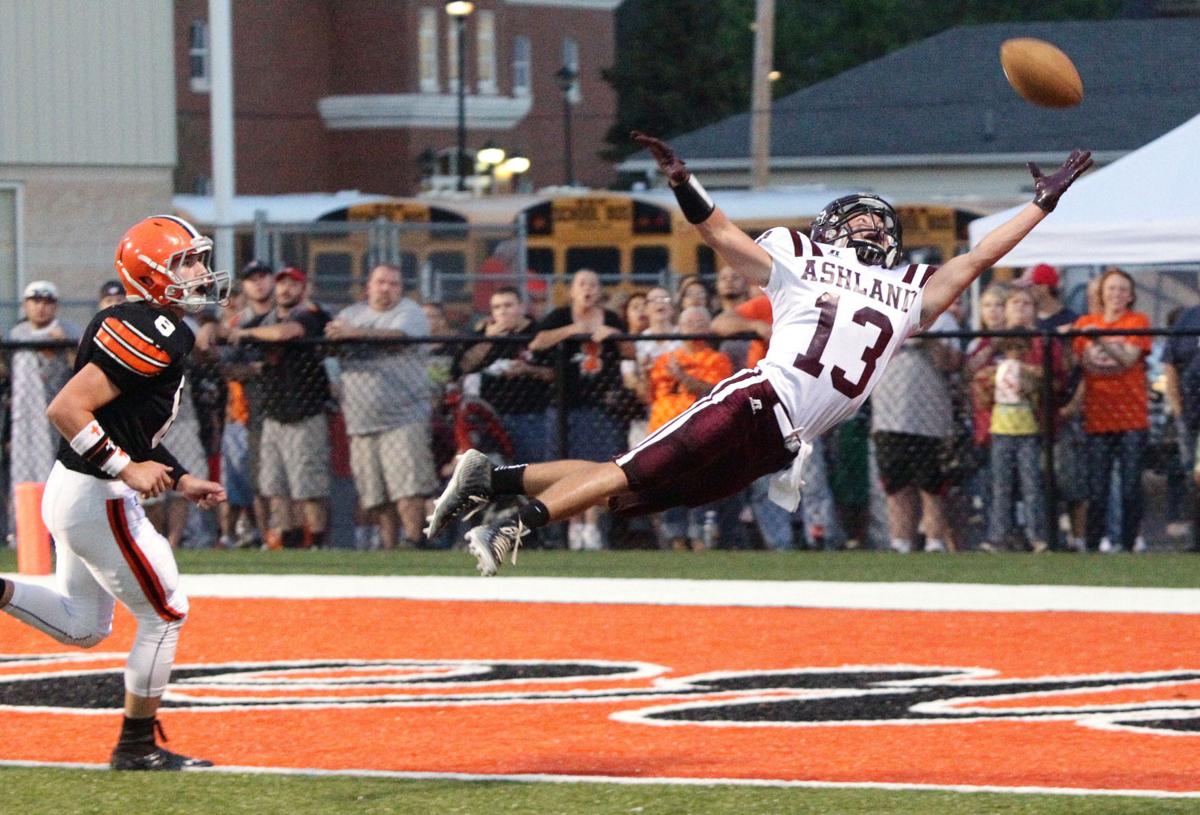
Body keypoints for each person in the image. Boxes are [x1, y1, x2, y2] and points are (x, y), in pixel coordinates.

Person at [423, 131, 1091, 575]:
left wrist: (1042, 204)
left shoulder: (910, 289)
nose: (871, 227)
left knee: (625, 486)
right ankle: (513, 524)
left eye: (877, 221)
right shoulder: (800, 256)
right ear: (831, 229)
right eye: (858, 219)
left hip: (787, 444)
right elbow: (719, 232)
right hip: (756, 398)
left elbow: (977, 256)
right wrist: (685, 182)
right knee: (633, 468)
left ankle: (491, 476)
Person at [0, 215, 227, 769]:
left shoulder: (144, 321)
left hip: (75, 490)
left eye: (198, 259)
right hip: (97, 494)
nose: (199, 271)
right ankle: (135, 748)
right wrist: (126, 470)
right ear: (150, 274)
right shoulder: (159, 329)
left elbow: (127, 425)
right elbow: (66, 410)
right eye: (185, 262)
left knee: (83, 626)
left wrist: (180, 477)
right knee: (166, 614)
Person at [325, 264, 436, 549]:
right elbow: (332, 342)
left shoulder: (409, 312)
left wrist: (352, 333)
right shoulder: (352, 314)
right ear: (368, 287)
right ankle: (388, 546)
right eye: (381, 282)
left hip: (403, 415)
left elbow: (398, 337)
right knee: (375, 493)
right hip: (360, 418)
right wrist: (340, 333)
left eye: (393, 283)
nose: (386, 288)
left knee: (407, 487)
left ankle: (413, 540)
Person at [522, 268, 631, 550]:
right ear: (572, 291)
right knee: (564, 466)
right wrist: (571, 331)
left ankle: (592, 526)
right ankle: (571, 526)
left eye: (594, 284)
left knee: (598, 466)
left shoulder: (611, 319)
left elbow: (632, 352)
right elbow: (537, 343)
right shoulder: (559, 316)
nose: (588, 289)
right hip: (564, 405)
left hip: (601, 406)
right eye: (582, 284)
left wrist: (614, 337)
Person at [230, 266, 332, 550]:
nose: (286, 290)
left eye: (293, 284)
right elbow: (233, 356)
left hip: (305, 413)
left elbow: (288, 332)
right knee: (275, 486)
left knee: (308, 487)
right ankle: (289, 541)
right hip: (273, 414)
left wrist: (247, 333)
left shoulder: (311, 315)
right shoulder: (265, 319)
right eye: (282, 284)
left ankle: (319, 543)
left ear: (304, 288)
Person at [1066, 268, 1152, 553]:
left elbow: (1128, 360)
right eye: (1111, 289)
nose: (1116, 295)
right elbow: (1081, 363)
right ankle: (1094, 543)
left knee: (1130, 487)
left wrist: (1099, 340)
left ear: (1131, 295)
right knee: (1098, 487)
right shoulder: (1086, 322)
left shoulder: (1137, 321)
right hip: (1097, 416)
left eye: (1122, 290)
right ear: (1101, 293)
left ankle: (1128, 543)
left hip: (1131, 417)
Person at [645, 306, 733, 549]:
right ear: (679, 327)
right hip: (663, 430)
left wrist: (682, 376)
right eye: (689, 322)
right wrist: (643, 374)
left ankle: (700, 538)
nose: (694, 326)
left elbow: (716, 392)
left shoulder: (717, 359)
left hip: (699, 430)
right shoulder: (665, 359)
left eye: (700, 321)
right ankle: (675, 540)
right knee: (667, 485)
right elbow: (648, 396)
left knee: (699, 484)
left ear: (708, 328)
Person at [8, 281, 82, 489]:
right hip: (25, 416)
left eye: (47, 302)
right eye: (35, 301)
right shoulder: (17, 334)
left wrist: (64, 344)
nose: (41, 308)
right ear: (25, 305)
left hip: (58, 413)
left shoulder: (68, 330)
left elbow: (82, 369)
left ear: (55, 306)